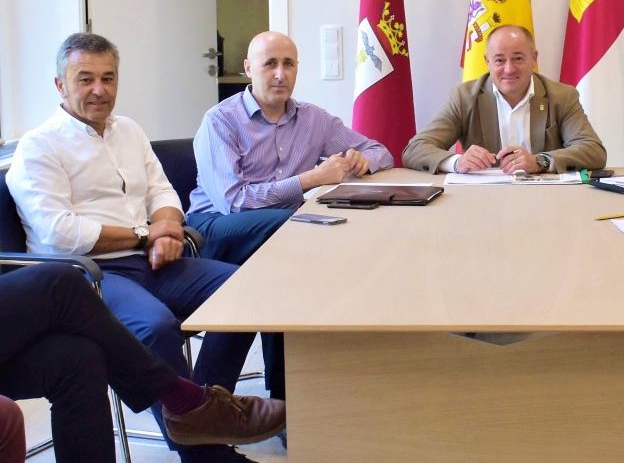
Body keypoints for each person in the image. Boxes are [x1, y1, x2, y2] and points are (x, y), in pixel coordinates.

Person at [6, 33, 265, 463]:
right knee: (156, 327)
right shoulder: (39, 146)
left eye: (108, 78)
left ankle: (207, 406)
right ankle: (202, 451)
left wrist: (165, 228)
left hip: (155, 260)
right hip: (87, 277)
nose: (99, 90)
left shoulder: (129, 130)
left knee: (248, 290)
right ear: (60, 85)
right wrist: (148, 235)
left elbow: (164, 193)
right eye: (85, 78)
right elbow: (60, 233)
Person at [187, 30, 394, 400]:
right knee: (299, 233)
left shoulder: (313, 119)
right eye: (270, 64)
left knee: (273, 275)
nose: (280, 74)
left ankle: (273, 402)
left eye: (288, 64)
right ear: (249, 68)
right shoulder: (220, 120)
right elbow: (233, 201)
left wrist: (363, 160)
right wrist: (310, 180)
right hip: (214, 231)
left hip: (280, 237)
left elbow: (381, 151)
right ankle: (276, 399)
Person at [0, 262, 286, 463]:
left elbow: (162, 195)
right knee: (60, 282)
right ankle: (188, 404)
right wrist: (141, 234)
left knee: (77, 357)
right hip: (98, 266)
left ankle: (194, 414)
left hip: (145, 259)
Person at [402, 25, 606, 175]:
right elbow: (415, 149)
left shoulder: (562, 96)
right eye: (499, 60)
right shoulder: (464, 98)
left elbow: (593, 150)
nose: (509, 69)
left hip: (546, 198)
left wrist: (540, 161)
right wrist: (458, 162)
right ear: (487, 62)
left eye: (518, 58)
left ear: (533, 59)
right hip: (483, 202)